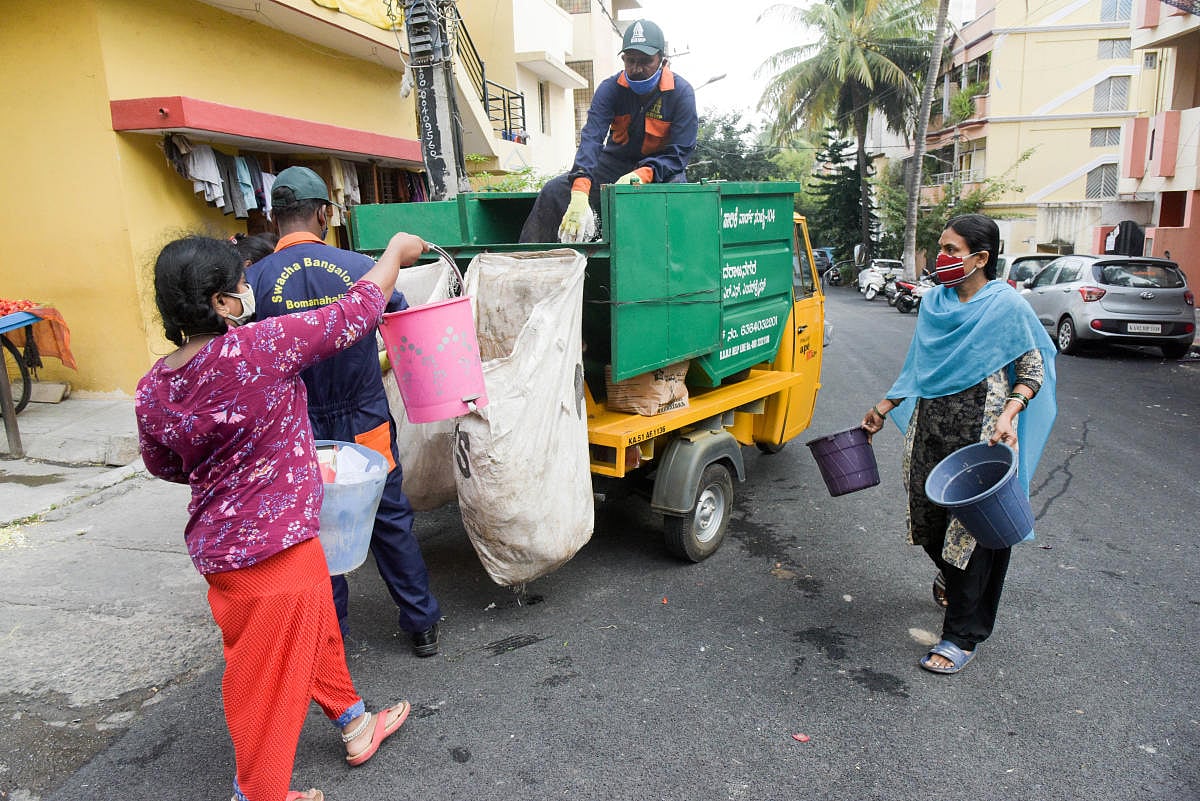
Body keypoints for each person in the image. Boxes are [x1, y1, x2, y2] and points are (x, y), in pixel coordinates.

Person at [136, 232, 426, 801]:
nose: (250, 291)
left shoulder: (155, 387)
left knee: (316, 629)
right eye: (242, 284)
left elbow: (163, 463)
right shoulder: (259, 348)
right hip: (268, 556)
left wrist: (228, 470)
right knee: (264, 684)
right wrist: (392, 256)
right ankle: (261, 793)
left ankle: (355, 723)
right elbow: (355, 312)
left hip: (247, 540)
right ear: (220, 302)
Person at [247, 166, 442, 657]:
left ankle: (332, 636)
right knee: (389, 519)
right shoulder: (361, 269)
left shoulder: (251, 283)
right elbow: (401, 321)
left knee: (315, 529)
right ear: (323, 214)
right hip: (365, 419)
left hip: (297, 429)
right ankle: (421, 624)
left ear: (275, 218)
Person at [860, 213, 1058, 675]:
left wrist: (1010, 415)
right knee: (929, 526)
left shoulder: (1006, 306)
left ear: (981, 258)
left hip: (982, 437)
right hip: (929, 432)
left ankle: (962, 635)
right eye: (941, 247)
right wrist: (885, 406)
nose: (942, 257)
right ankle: (952, 578)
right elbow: (919, 366)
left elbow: (1031, 371)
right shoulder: (934, 304)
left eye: (952, 250)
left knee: (975, 537)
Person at [519, 19, 697, 243]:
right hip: (614, 167)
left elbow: (679, 153)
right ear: (623, 59)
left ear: (662, 61)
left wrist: (643, 174)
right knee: (555, 191)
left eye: (645, 61)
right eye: (630, 61)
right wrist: (580, 189)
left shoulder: (681, 94)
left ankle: (667, 263)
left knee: (675, 196)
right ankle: (528, 263)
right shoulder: (609, 89)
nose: (637, 69)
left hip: (661, 172)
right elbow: (591, 140)